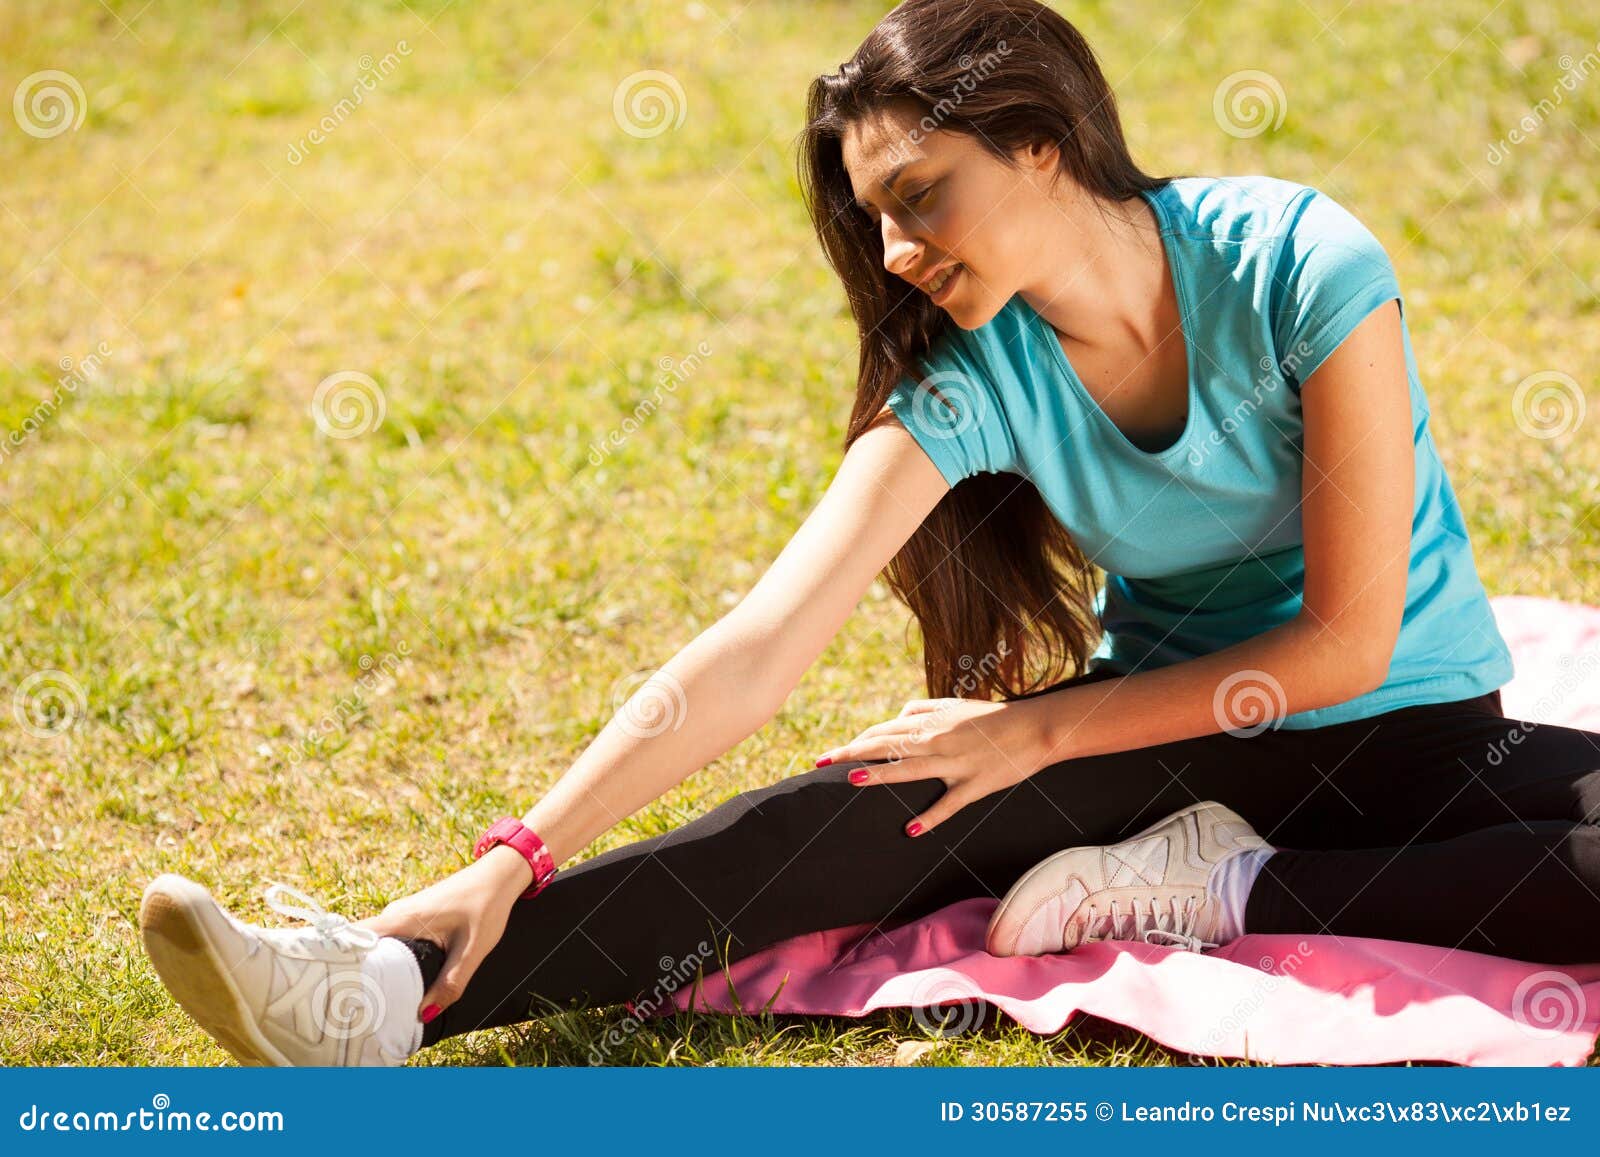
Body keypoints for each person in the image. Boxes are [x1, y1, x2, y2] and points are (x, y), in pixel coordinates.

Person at [138, 0, 1600, 1067]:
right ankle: (384, 987)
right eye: (875, 218)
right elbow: (763, 644)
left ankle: (1228, 889)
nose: (896, 252)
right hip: (1162, 742)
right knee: (872, 807)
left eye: (918, 197)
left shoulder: (1298, 265)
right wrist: (512, 852)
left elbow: (1346, 640)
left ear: (1038, 142)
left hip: (1417, 718)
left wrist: (1031, 735)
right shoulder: (978, 377)